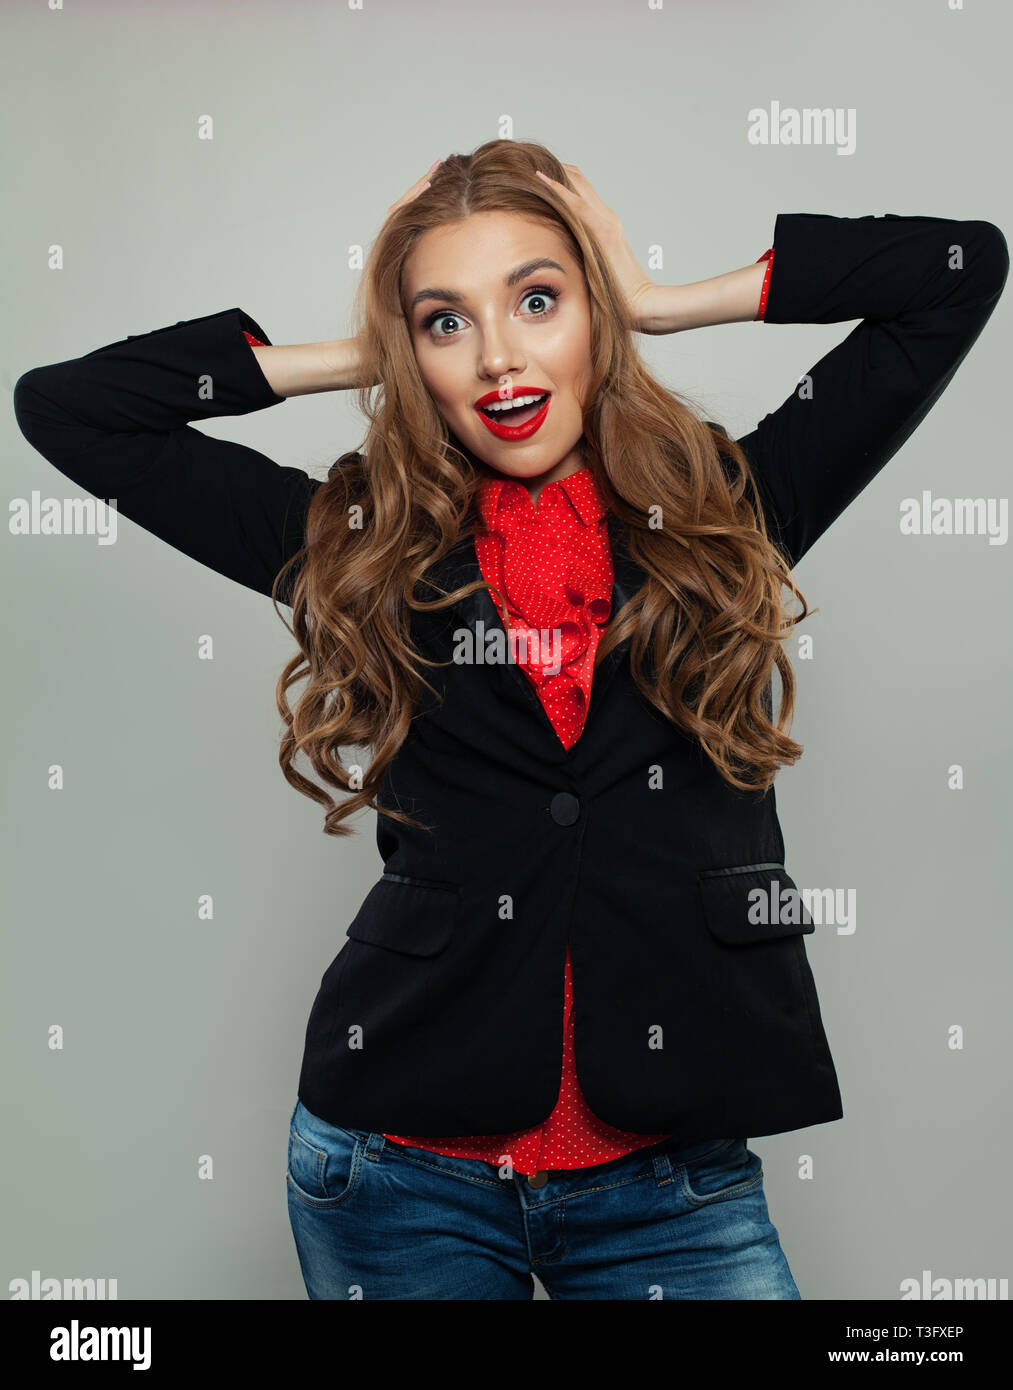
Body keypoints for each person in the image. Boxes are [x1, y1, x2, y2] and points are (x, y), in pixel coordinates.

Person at [13, 140, 1008, 1301]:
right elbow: (67, 408)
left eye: (538, 300)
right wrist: (361, 353)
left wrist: (661, 301)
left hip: (669, 1184)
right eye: (444, 323)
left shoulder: (735, 509)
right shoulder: (350, 546)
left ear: (593, 312)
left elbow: (958, 267)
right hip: (400, 1175)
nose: (497, 357)